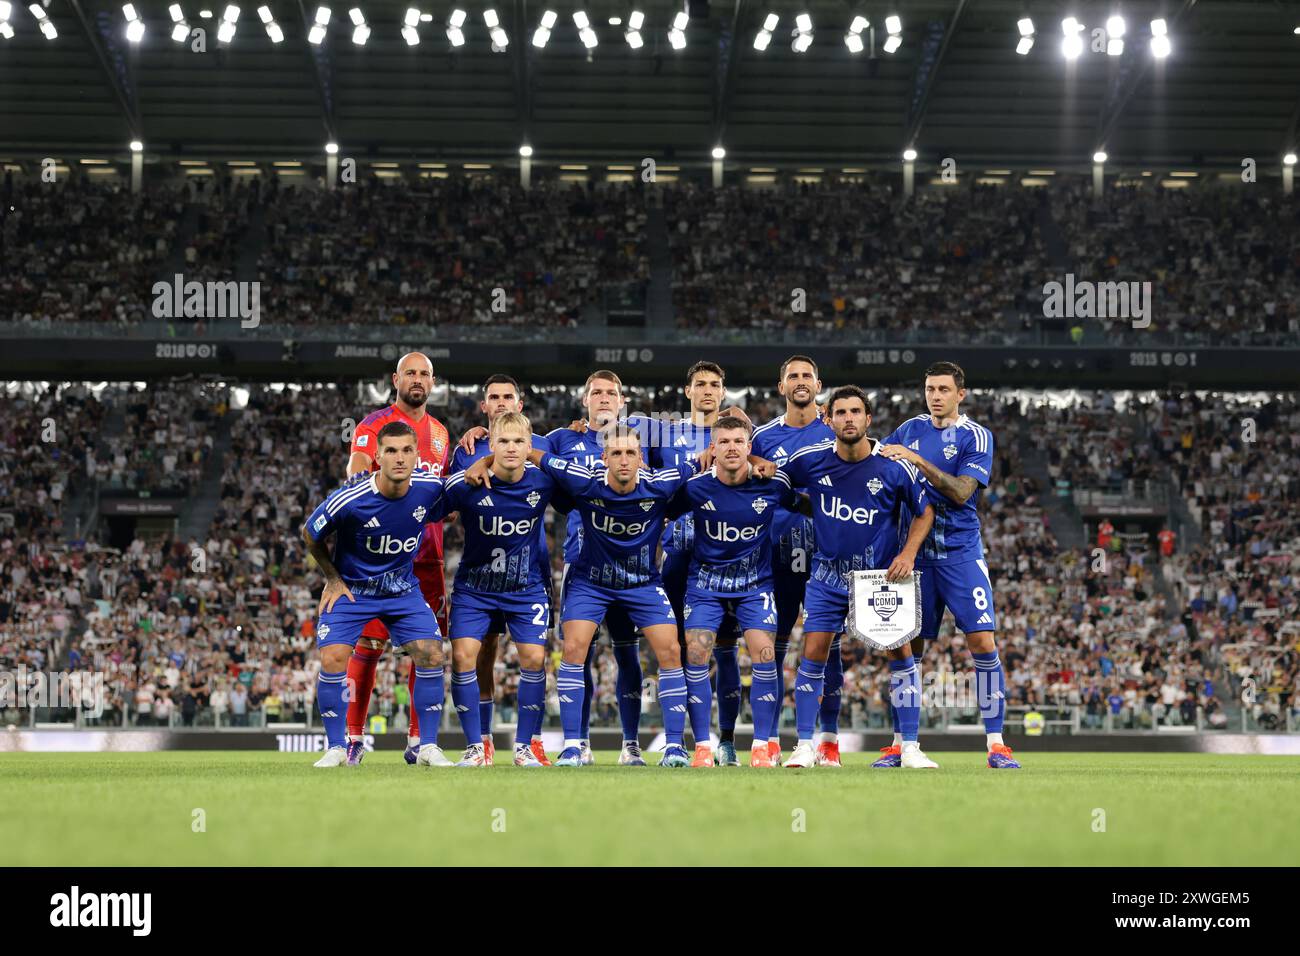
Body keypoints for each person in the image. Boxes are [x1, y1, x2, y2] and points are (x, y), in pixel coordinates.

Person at [779, 385, 936, 769]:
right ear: (828, 419)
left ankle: (910, 747)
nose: (849, 419)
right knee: (812, 653)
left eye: (856, 412)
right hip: (827, 577)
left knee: (901, 653)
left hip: (878, 579)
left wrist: (908, 553)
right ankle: (804, 745)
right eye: (841, 412)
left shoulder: (893, 467)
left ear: (868, 419)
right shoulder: (810, 461)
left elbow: (925, 511)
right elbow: (778, 483)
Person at [878, 360, 1020, 769]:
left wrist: (916, 461)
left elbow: (961, 492)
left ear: (961, 394)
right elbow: (878, 461)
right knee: (906, 649)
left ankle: (996, 744)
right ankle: (901, 745)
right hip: (914, 556)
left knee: (982, 642)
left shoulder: (977, 436)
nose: (935, 396)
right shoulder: (909, 429)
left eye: (943, 389)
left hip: (960, 553)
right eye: (929, 389)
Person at [302, 420, 454, 768]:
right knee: (333, 658)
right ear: (377, 457)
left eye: (406, 450)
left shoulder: (431, 489)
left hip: (402, 589)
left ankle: (426, 747)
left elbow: (461, 490)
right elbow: (310, 534)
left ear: (417, 455)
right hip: (353, 591)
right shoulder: (350, 499)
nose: (399, 458)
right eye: (390, 451)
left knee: (432, 654)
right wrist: (332, 577)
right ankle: (338, 747)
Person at [664, 415, 796, 767]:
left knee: (765, 655)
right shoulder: (694, 487)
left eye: (739, 441)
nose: (732, 447)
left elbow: (809, 502)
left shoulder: (773, 483)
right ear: (713, 448)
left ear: (749, 447)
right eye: (724, 442)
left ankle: (761, 746)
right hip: (706, 584)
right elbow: (659, 509)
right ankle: (703, 747)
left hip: (755, 585)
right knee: (695, 654)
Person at [341, 352, 453, 766]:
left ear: (433, 381)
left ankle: (419, 741)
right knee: (368, 644)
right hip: (378, 560)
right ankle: (353, 739)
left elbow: (444, 489)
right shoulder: (373, 425)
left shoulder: (441, 433)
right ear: (396, 379)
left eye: (425, 373)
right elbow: (356, 471)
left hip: (428, 559)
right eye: (411, 372)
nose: (418, 379)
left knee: (426, 649)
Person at [436, 412, 566, 767]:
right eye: (503, 442)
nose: (511, 448)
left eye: (519, 442)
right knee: (463, 659)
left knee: (535, 660)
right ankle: (475, 747)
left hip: (525, 588)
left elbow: (582, 484)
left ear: (530, 446)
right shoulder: (467, 484)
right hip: (475, 588)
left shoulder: (545, 483)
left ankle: (524, 747)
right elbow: (427, 507)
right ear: (490, 446)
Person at [749, 354, 836, 765]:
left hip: (829, 553)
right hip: (775, 554)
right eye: (792, 376)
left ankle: (828, 740)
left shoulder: (839, 429)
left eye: (807, 376)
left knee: (826, 647)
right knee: (773, 646)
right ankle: (766, 741)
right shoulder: (762, 438)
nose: (800, 382)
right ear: (781, 387)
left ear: (819, 385)